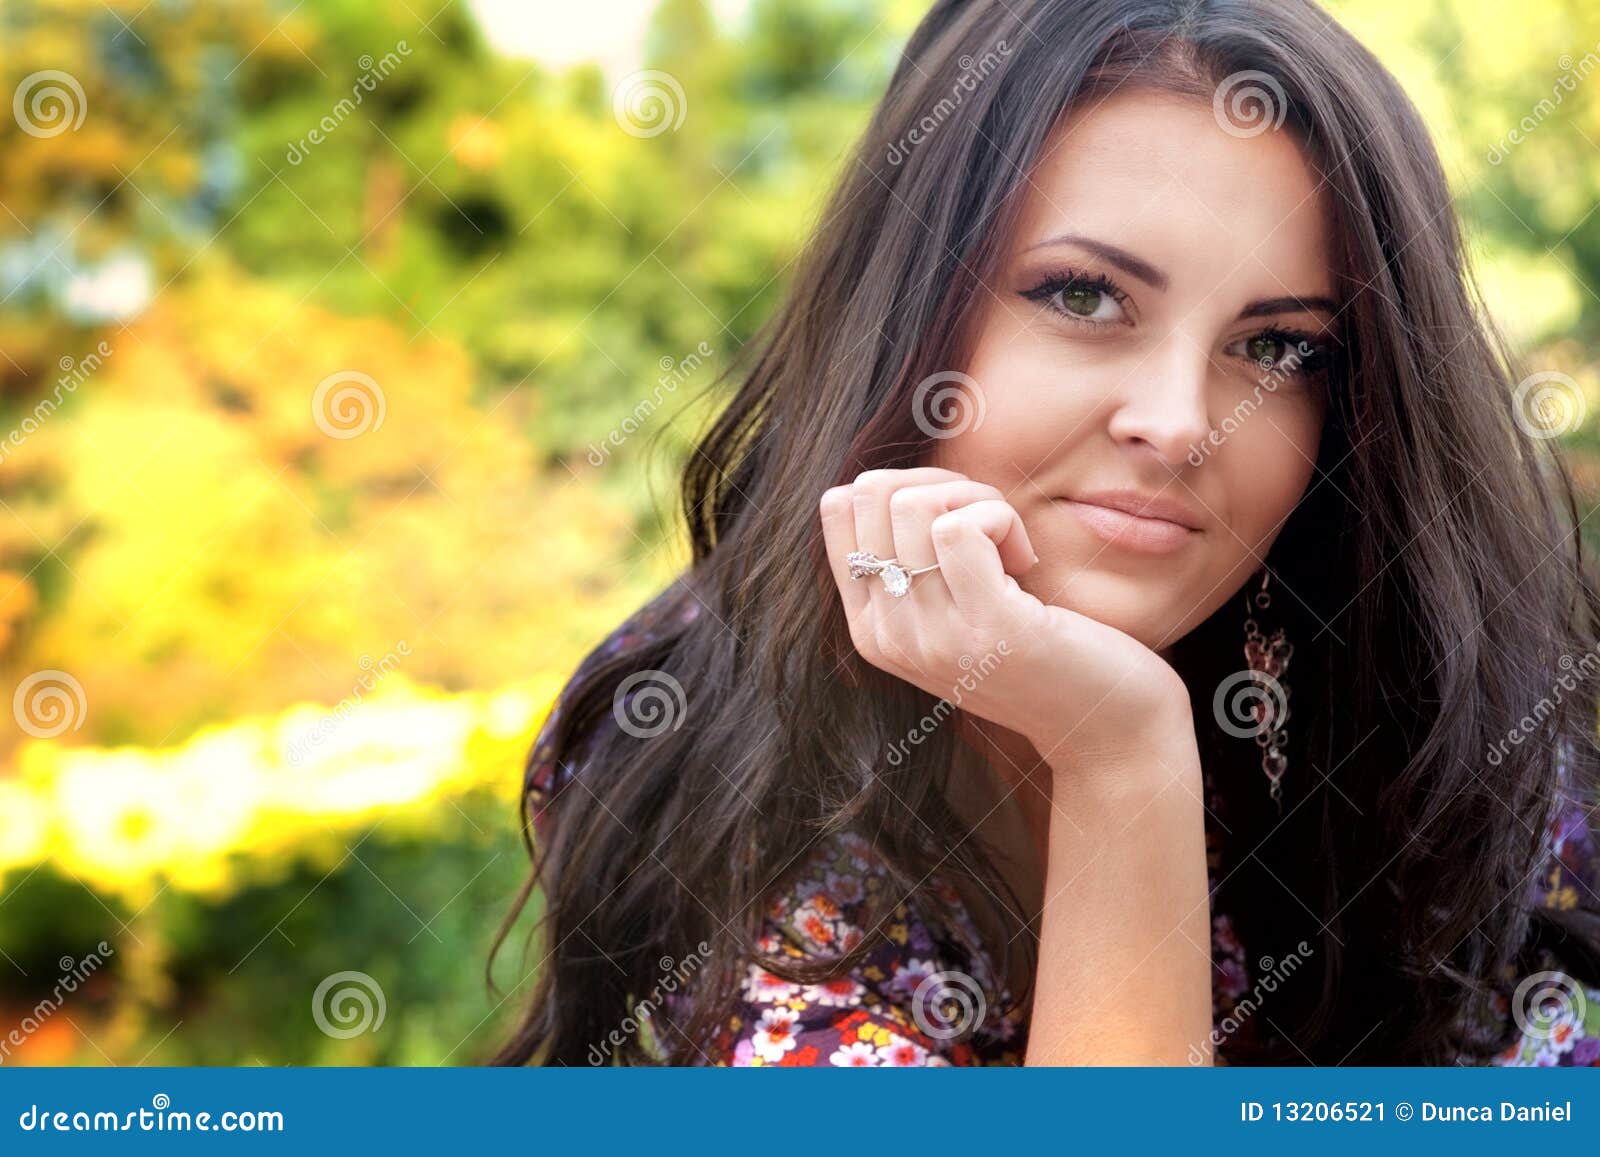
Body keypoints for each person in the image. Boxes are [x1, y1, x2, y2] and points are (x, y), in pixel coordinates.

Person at [491, 0, 1600, 1066]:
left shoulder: (1450, 738)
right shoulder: (707, 742)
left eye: (1278, 350)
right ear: (909, 306)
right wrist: (1122, 753)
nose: (1175, 425)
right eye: (1082, 296)